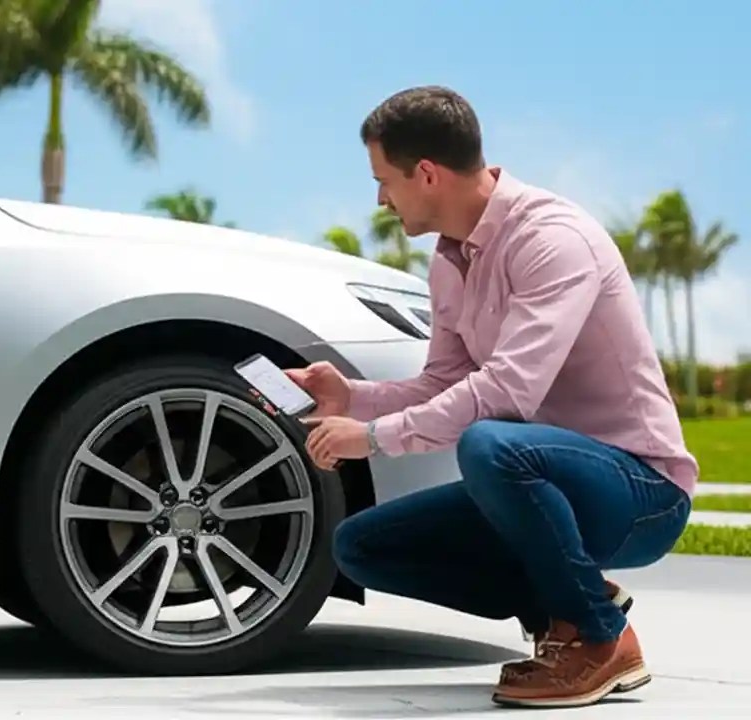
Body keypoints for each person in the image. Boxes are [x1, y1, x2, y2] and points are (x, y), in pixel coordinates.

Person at [288, 85, 696, 709]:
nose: (379, 197)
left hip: (640, 490)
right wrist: (354, 398)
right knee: (362, 546)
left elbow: (508, 390)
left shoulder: (553, 240)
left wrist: (373, 440)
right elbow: (443, 381)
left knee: (492, 445)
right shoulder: (451, 261)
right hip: (541, 479)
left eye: (384, 180)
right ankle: (568, 607)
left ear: (426, 174)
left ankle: (599, 638)